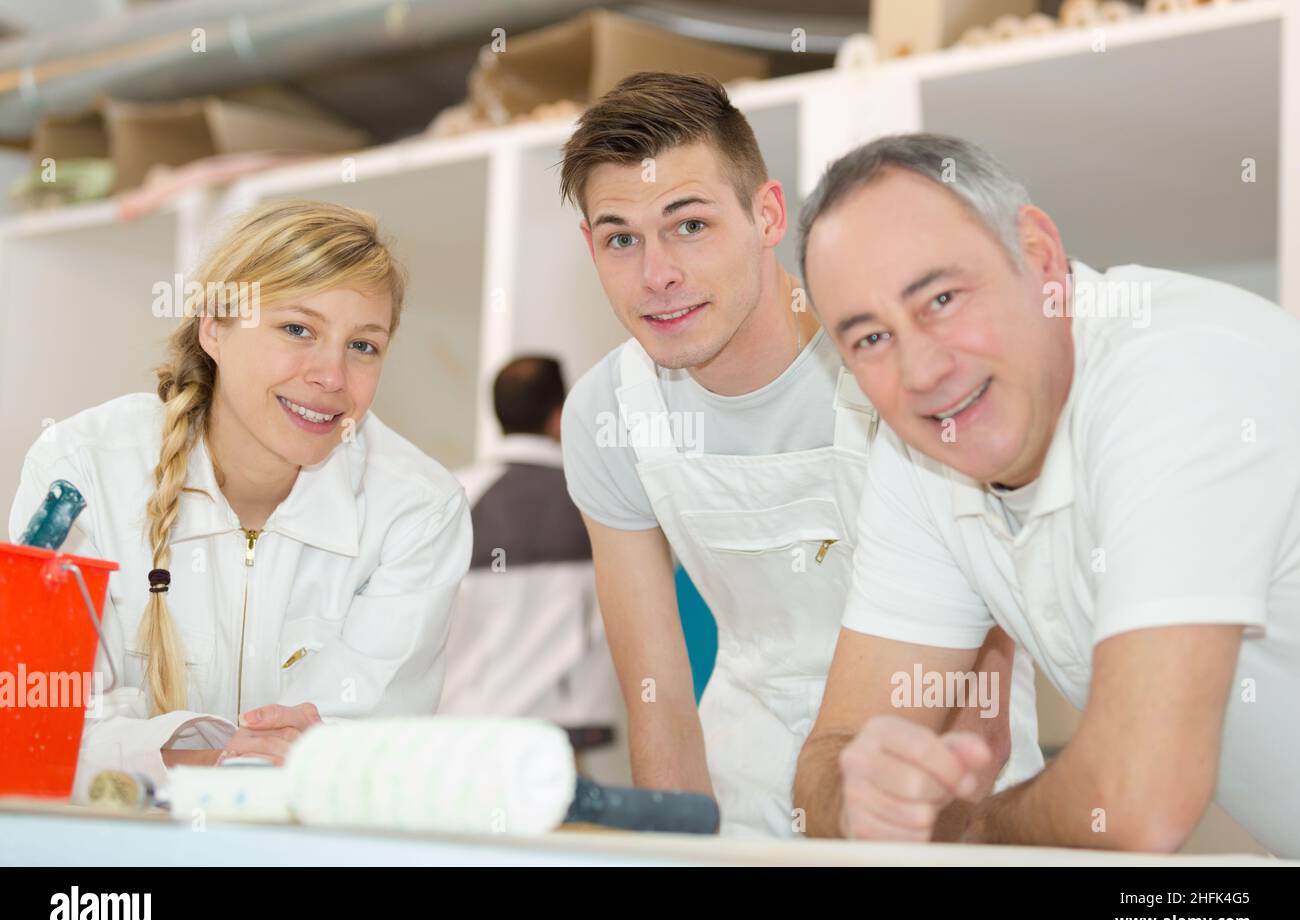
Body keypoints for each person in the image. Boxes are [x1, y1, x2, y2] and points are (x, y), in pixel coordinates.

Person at [558, 73, 1042, 837]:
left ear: (767, 215)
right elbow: (660, 697)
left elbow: (981, 665)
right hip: (746, 780)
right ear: (591, 246)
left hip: (936, 779)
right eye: (622, 238)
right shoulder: (608, 413)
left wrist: (937, 819)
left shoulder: (892, 366)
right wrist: (675, 852)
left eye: (690, 225)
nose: (658, 276)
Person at [795, 132, 1300, 857]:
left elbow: (1137, 801)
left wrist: (967, 828)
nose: (923, 369)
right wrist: (859, 796)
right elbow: (832, 758)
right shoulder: (924, 449)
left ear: (1037, 256)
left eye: (940, 298)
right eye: (870, 339)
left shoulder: (1178, 373)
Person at [7, 199, 472, 800]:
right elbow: (39, 733)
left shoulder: (417, 509)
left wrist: (311, 755)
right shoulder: (81, 470)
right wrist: (193, 752)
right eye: (297, 329)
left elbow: (373, 749)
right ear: (214, 328)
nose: (331, 376)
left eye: (363, 346)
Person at [440, 356, 621, 746]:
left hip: (469, 727)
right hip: (567, 729)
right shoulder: (601, 500)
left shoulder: (454, 497)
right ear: (559, 417)